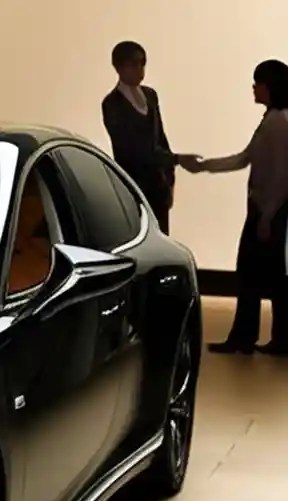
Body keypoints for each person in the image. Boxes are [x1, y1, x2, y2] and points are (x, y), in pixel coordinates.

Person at [182, 60, 288, 355]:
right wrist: (205, 167)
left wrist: (267, 215)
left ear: (269, 87)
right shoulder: (272, 120)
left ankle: (250, 337)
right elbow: (244, 158)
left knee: (259, 275)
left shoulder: (279, 123)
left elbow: (281, 175)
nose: (253, 88)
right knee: (264, 275)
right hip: (266, 210)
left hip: (269, 211)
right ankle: (262, 337)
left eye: (257, 83)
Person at [102, 41, 182, 233]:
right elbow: (132, 150)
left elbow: (160, 137)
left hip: (158, 186)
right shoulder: (112, 104)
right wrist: (176, 159)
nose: (140, 69)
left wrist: (170, 179)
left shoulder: (150, 95)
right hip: (134, 187)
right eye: (134, 64)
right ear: (119, 67)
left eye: (142, 63)